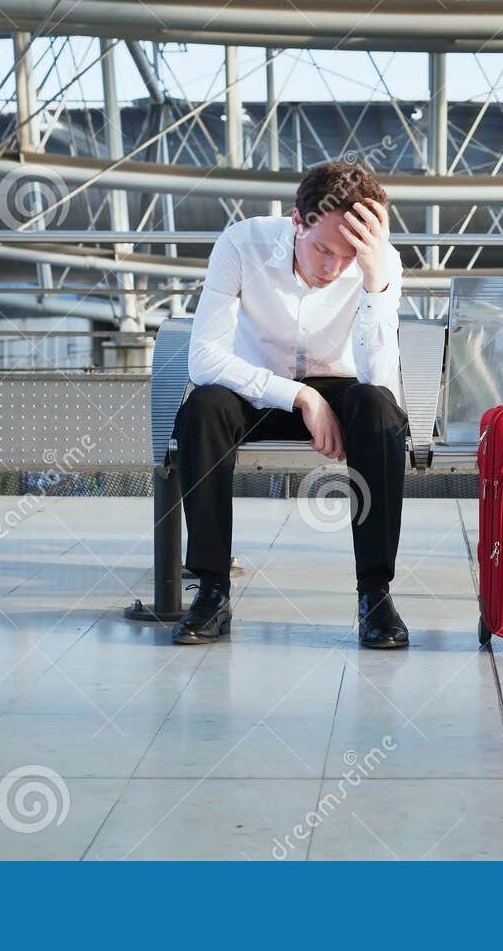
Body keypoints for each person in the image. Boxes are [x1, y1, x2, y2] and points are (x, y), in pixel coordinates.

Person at [169, 159, 410, 648]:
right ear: (297, 221)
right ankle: (212, 590)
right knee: (204, 408)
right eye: (322, 249)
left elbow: (378, 377)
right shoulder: (242, 244)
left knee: (380, 412)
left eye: (346, 257)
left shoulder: (378, 262)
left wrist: (373, 281)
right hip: (257, 390)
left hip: (342, 394)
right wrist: (300, 396)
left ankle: (376, 596)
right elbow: (204, 358)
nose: (330, 268)